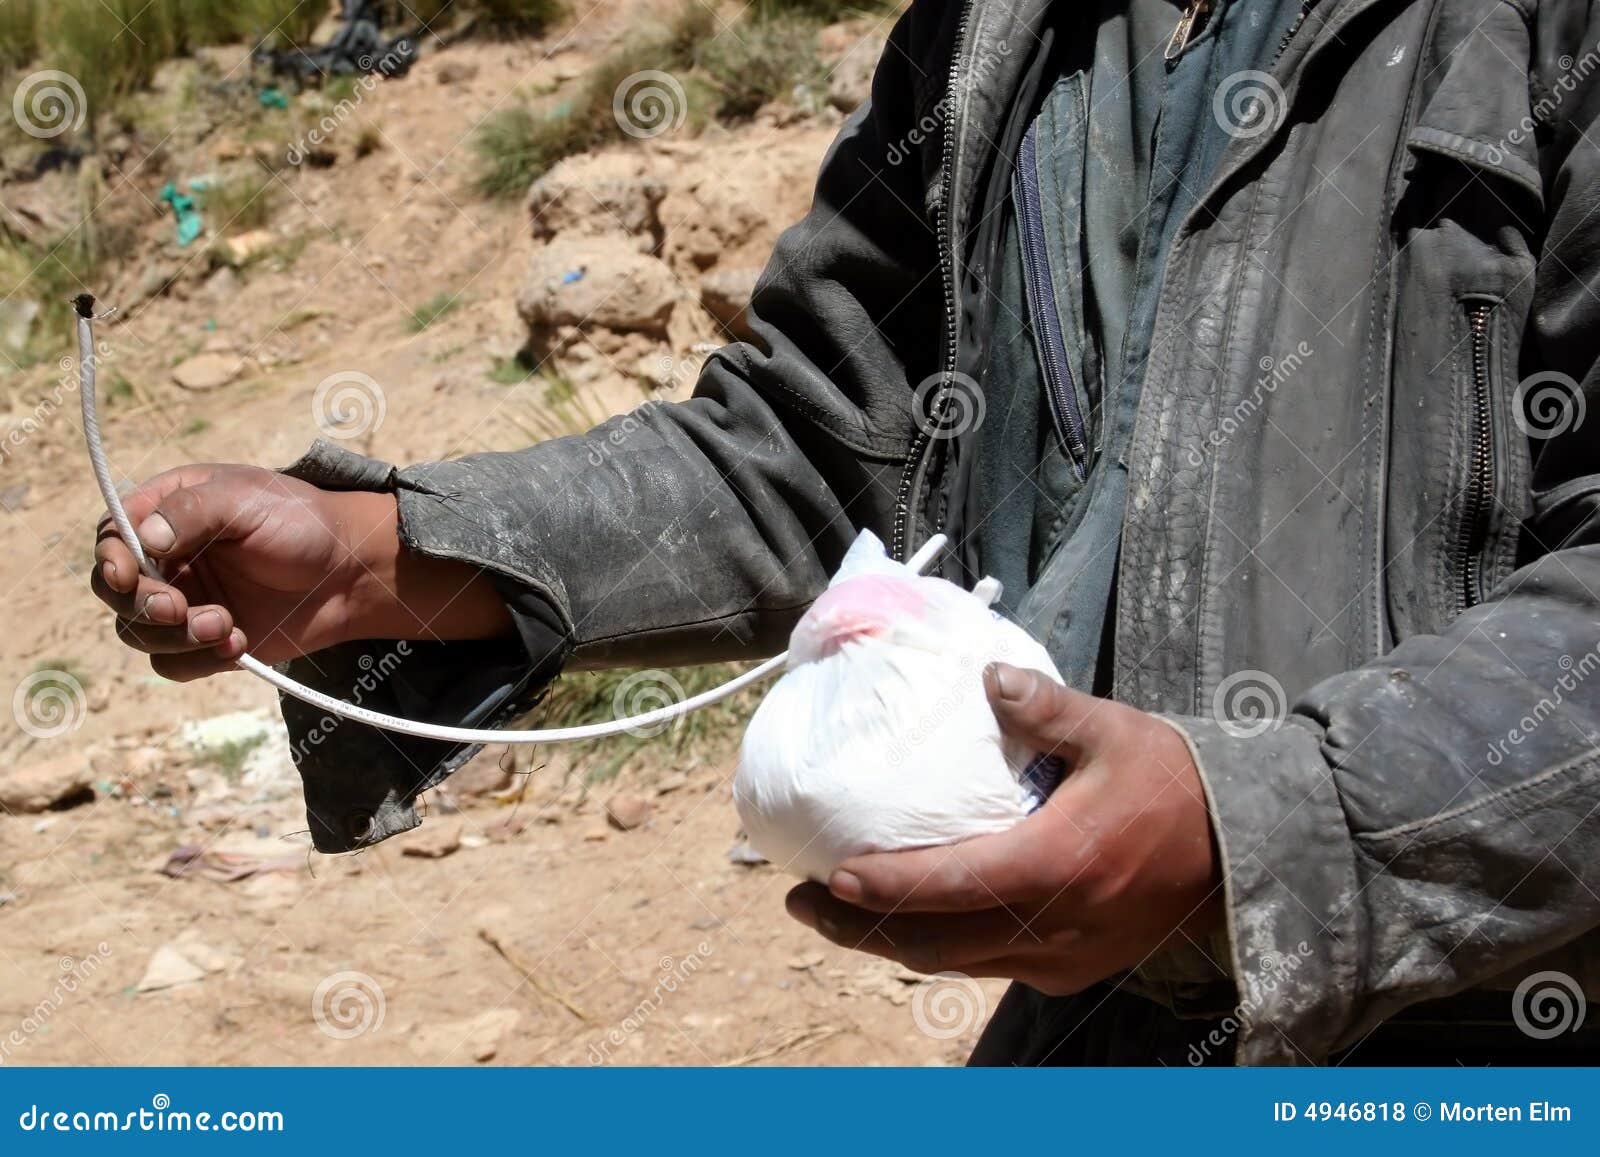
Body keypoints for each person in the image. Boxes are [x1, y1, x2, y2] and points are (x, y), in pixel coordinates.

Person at [93, 0, 1600, 1064]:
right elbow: (827, 443)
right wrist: (382, 555)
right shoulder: (999, 29)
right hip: (1116, 1033)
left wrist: (1250, 826)